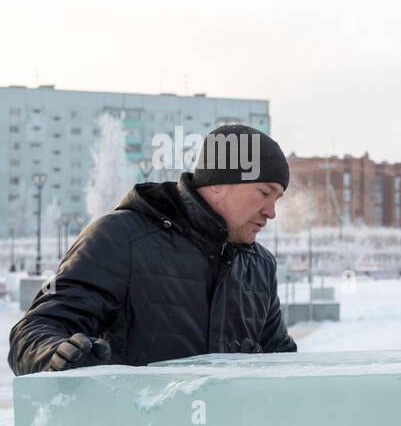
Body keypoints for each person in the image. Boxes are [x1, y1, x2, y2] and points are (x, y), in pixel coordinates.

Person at [9, 124, 295, 375]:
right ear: (219, 183)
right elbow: (33, 333)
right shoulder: (121, 237)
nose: (271, 212)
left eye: (278, 199)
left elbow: (281, 363)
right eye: (265, 192)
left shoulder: (260, 266)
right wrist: (59, 356)